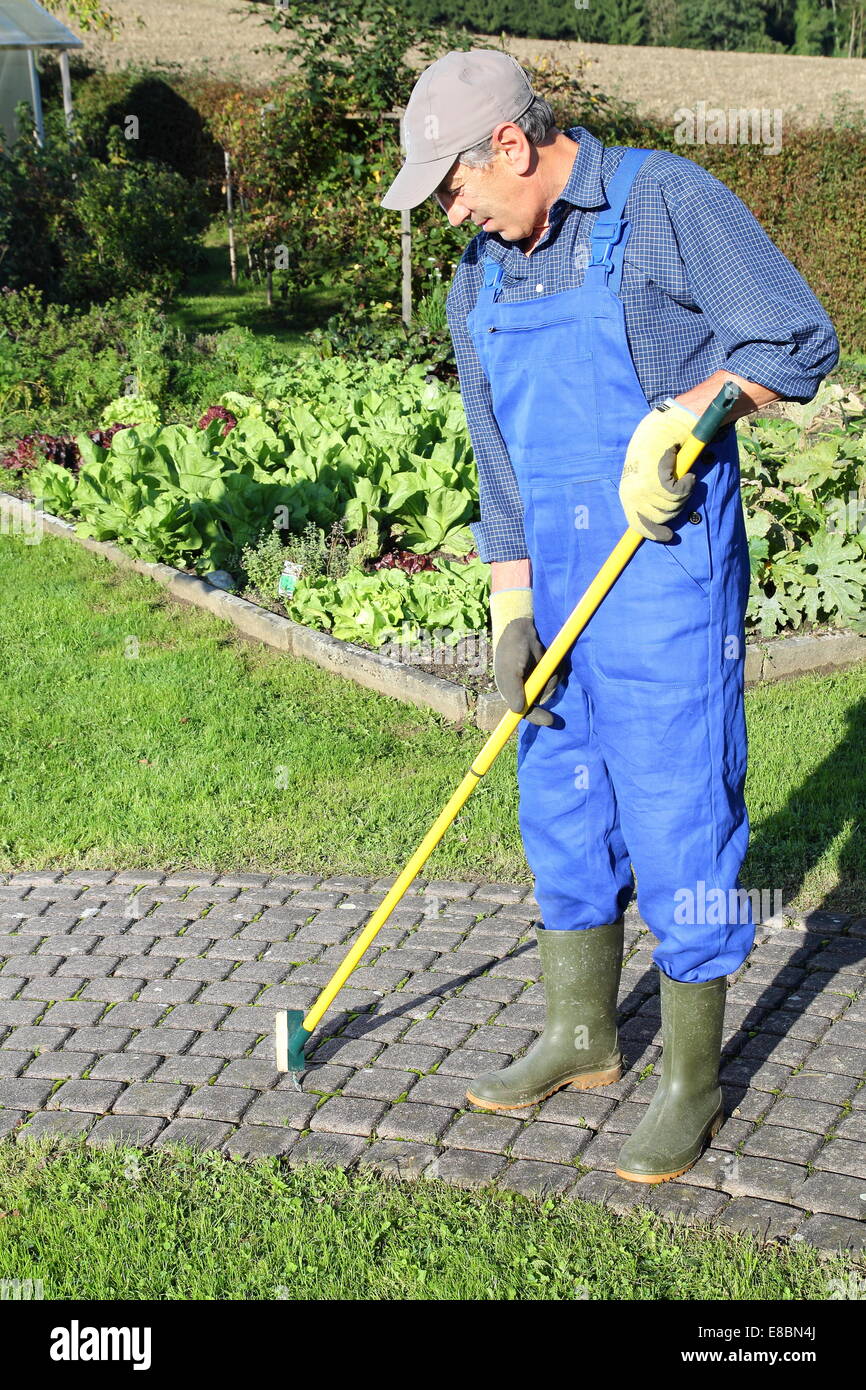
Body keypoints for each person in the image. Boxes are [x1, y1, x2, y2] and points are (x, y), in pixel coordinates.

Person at [380, 49, 839, 1183]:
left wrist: (683, 415)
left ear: (510, 144)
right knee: (561, 800)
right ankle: (582, 1032)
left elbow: (797, 338)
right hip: (560, 585)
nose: (454, 212)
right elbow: (497, 468)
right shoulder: (477, 278)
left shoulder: (665, 202)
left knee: (679, 801)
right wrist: (507, 616)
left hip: (662, 571)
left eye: (454, 185)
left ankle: (690, 1079)